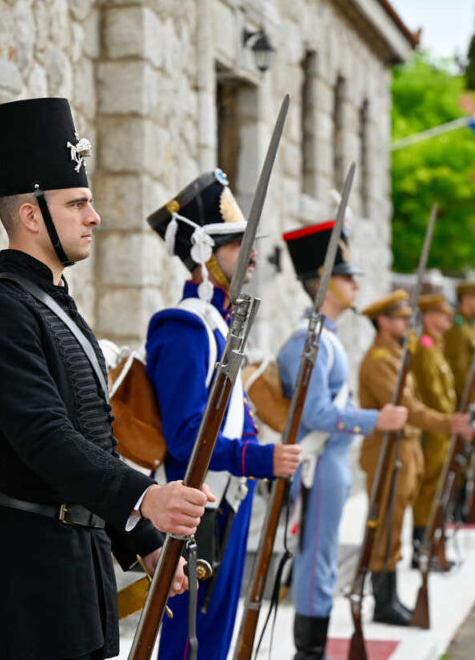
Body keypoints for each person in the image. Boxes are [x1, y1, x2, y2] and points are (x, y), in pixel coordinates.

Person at [0, 98, 208, 660]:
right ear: (32, 215)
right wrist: (147, 497)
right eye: (77, 203)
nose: (94, 216)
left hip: (77, 568)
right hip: (19, 581)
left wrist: (142, 541)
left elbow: (93, 439)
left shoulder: (52, 303)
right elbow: (47, 440)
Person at [144, 169, 301, 660]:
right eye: (237, 245)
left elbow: (231, 417)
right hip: (200, 512)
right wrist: (259, 459)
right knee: (191, 643)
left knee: (216, 638)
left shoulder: (218, 325)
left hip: (227, 501)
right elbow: (187, 438)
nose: (251, 255)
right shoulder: (185, 327)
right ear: (202, 253)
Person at [277, 221, 408, 659]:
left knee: (325, 557)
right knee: (317, 559)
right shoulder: (308, 342)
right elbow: (315, 413)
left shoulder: (326, 339)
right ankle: (309, 652)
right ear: (323, 282)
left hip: (331, 463)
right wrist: (376, 419)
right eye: (346, 276)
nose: (356, 285)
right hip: (318, 465)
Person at [357, 291, 471, 625]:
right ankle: (383, 602)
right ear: (383, 322)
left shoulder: (397, 354)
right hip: (388, 451)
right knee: (385, 527)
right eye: (402, 319)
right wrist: (447, 423)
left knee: (395, 525)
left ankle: (391, 598)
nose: (409, 323)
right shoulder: (380, 359)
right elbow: (408, 408)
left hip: (405, 449)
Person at [408, 293, 458, 567]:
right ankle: (421, 546)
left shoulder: (435, 346)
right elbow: (432, 393)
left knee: (437, 487)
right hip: (434, 429)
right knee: (428, 489)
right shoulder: (425, 347)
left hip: (442, 428)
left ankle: (430, 542)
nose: (448, 318)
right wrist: (450, 421)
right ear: (428, 318)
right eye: (442, 314)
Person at [444, 281, 475, 408]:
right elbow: (458, 369)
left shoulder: (470, 326)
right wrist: (468, 402)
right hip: (464, 401)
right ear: (466, 299)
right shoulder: (457, 328)